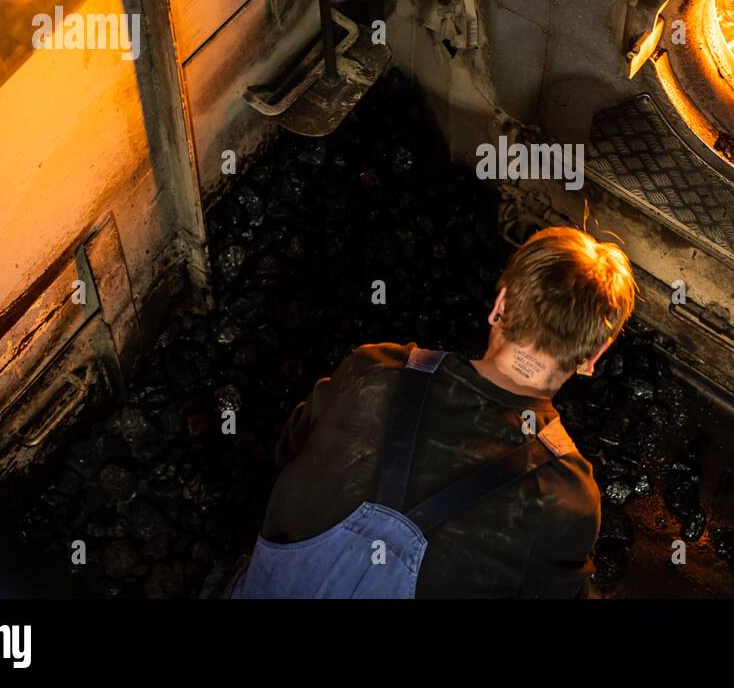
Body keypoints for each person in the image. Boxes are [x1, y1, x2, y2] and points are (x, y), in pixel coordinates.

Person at [231, 226, 637, 598]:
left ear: (501, 304)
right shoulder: (568, 495)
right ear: (592, 357)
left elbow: (289, 450)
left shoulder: (374, 368)